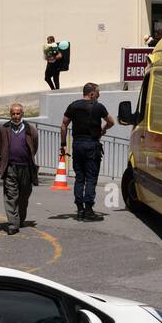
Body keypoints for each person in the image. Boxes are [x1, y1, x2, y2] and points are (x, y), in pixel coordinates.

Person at [60, 82, 112, 221]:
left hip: (77, 145)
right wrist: (103, 129)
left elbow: (64, 124)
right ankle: (89, 210)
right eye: (98, 93)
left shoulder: (73, 105)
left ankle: (79, 210)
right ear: (92, 93)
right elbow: (112, 121)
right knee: (91, 178)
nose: (99, 95)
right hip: (91, 145)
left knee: (79, 177)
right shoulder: (98, 107)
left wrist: (63, 144)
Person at [0, 103, 39, 235]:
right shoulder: (4, 129)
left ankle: (20, 218)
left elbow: (34, 147)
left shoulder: (30, 129)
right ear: (10, 114)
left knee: (23, 196)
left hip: (26, 167)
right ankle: (13, 224)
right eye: (13, 114)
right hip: (10, 167)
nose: (16, 116)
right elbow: (0, 145)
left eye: (18, 113)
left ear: (22, 114)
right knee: (11, 195)